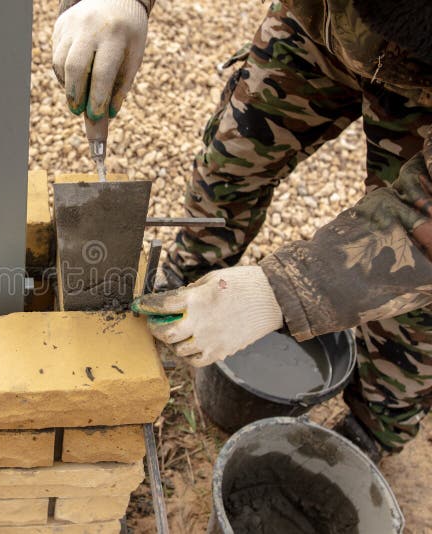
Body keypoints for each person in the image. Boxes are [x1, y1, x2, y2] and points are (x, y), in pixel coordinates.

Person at [52, 0, 432, 462]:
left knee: (410, 293)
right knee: (231, 161)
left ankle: (376, 421)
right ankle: (189, 282)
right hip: (319, 20)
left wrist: (283, 291)